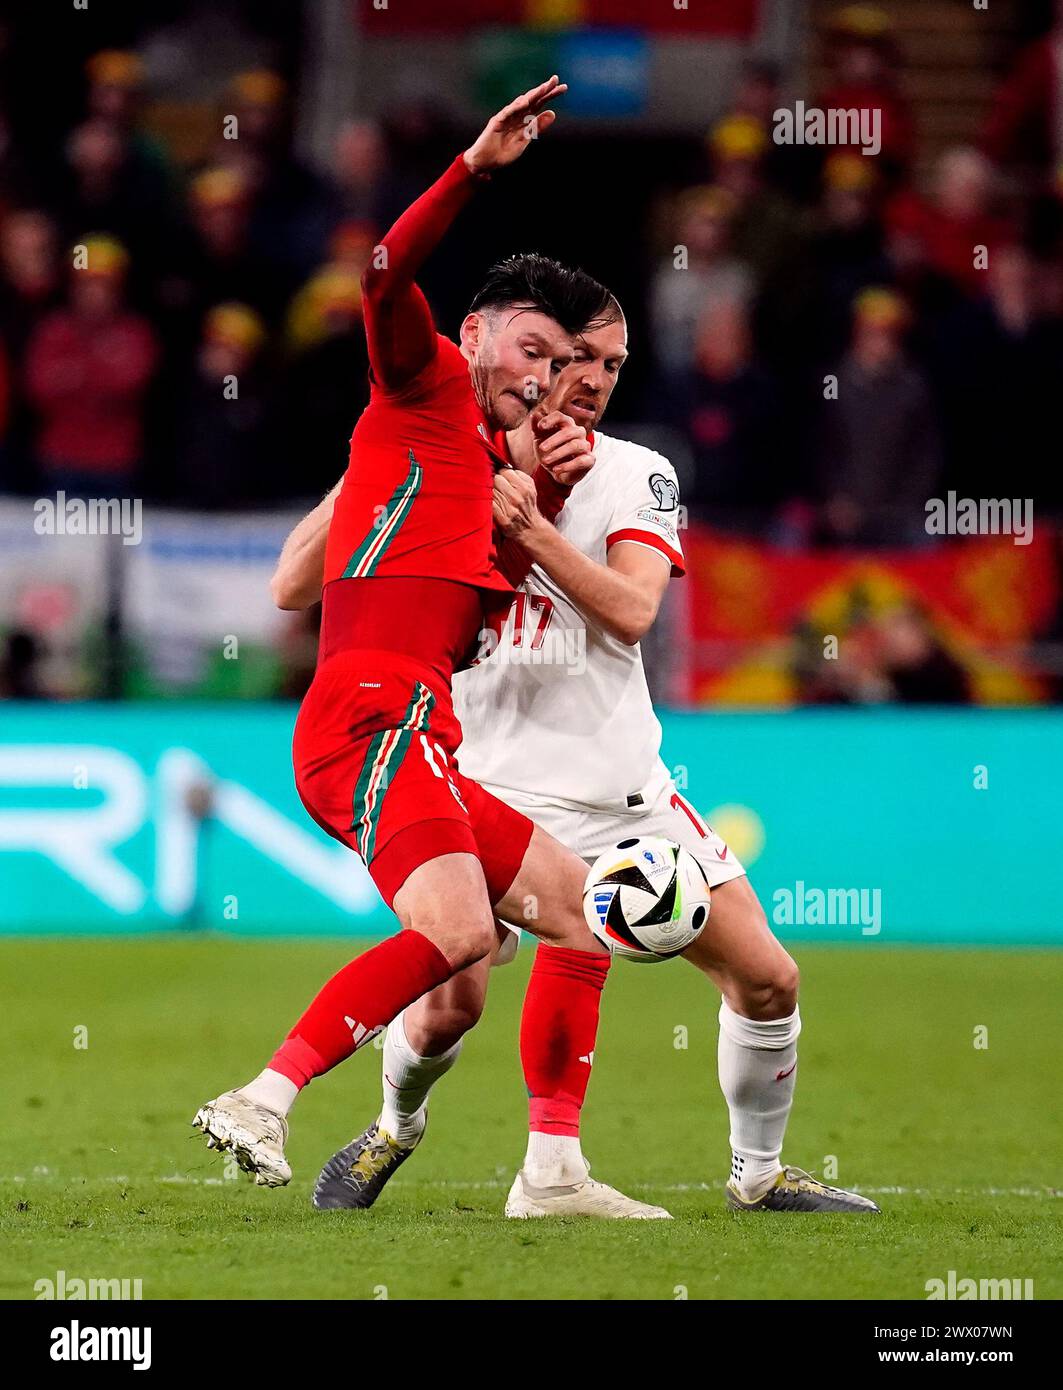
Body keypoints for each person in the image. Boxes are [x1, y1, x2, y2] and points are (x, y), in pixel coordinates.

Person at [272, 315, 880, 1219]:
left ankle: (756, 1174)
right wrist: (376, 469)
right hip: (479, 778)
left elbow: (634, 612)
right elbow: (290, 588)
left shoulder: (637, 472)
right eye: (574, 360)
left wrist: (534, 529)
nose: (592, 379)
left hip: (622, 786)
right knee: (449, 1007)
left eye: (612, 364)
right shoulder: (439, 456)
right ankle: (395, 1130)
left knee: (769, 978)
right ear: (524, 361)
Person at [192, 80, 656, 1219]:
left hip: (422, 729)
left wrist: (530, 510)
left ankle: (551, 1169)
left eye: (560, 366)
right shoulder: (426, 382)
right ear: (479, 334)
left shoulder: (491, 483)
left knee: (573, 905)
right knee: (454, 935)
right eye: (530, 349)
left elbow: (470, 621)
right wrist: (472, 169)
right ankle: (264, 1093)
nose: (542, 377)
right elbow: (385, 273)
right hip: (370, 716)